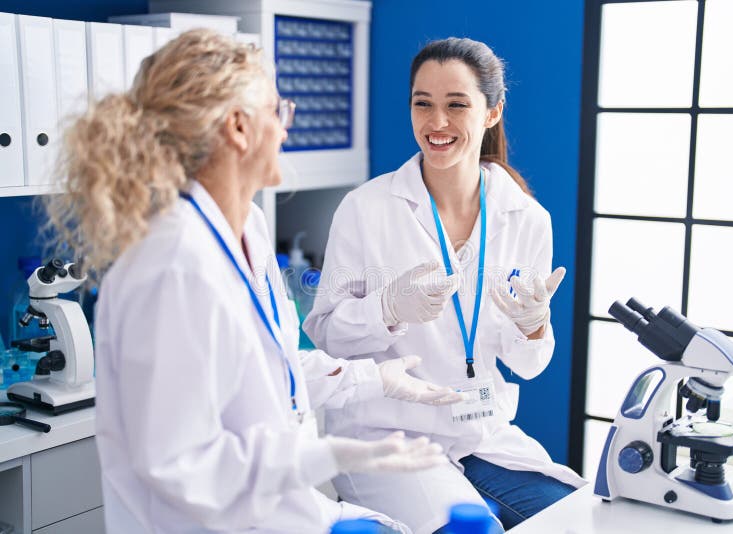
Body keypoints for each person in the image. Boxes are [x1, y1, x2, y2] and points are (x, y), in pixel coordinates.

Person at [43, 29, 465, 534]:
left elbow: (267, 371)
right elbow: (180, 464)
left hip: (278, 513)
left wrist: (373, 379)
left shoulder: (250, 231)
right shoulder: (171, 265)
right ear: (239, 128)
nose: (285, 129)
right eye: (276, 111)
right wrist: (320, 456)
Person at [304, 37, 587, 533]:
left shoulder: (527, 218)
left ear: (492, 112)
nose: (437, 123)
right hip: (387, 432)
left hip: (482, 431)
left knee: (580, 520)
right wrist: (388, 308)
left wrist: (534, 326)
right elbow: (327, 334)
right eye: (423, 104)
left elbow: (529, 364)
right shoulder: (366, 209)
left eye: (457, 105)